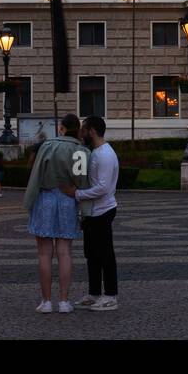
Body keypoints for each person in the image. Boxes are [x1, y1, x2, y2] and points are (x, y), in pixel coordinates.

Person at [23, 113, 86, 314]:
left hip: (46, 199)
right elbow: (82, 181)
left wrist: (29, 202)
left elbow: (36, 176)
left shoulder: (48, 146)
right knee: (65, 252)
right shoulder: (81, 151)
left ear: (61, 128)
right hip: (68, 200)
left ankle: (46, 301)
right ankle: (65, 301)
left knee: (44, 253)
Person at [62, 115, 118, 311]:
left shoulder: (104, 155)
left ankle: (110, 296)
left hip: (103, 210)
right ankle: (94, 293)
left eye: (83, 129)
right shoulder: (96, 152)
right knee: (92, 255)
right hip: (93, 212)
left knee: (105, 255)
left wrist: (77, 194)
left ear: (92, 131)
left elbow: (102, 187)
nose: (81, 133)